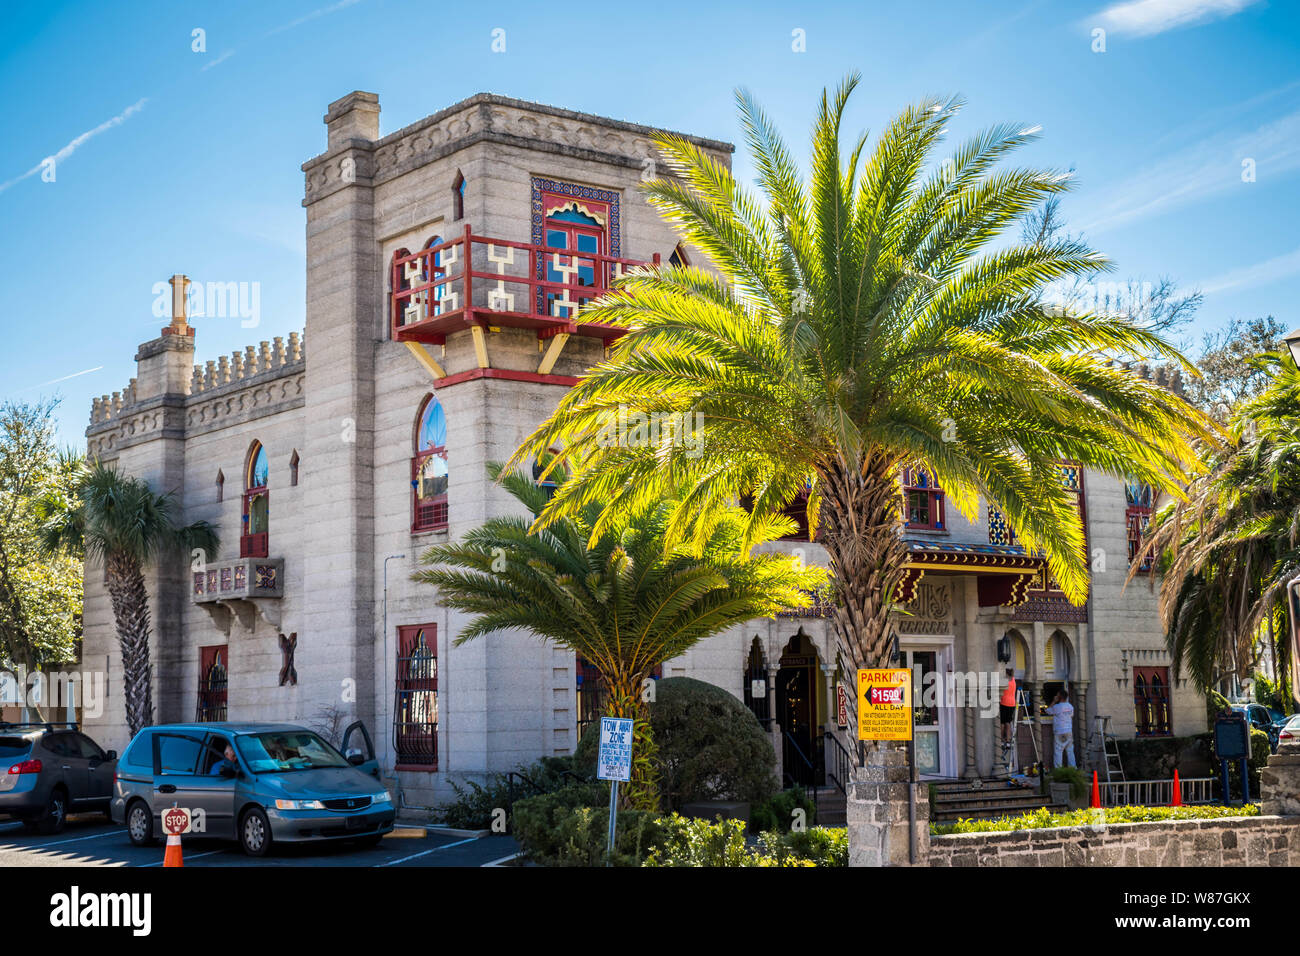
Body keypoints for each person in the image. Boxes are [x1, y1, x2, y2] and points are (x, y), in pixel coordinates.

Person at [1047, 689, 1075, 767]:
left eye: (1057, 695)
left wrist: (1054, 701)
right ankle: (1073, 769)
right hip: (1069, 731)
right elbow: (1071, 715)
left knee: (1058, 752)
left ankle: (1058, 771)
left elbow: (1048, 711)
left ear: (1059, 697)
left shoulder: (1057, 707)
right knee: (1070, 751)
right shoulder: (1070, 706)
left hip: (1060, 732)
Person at [999, 667, 1017, 743]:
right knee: (1008, 722)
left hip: (1004, 703)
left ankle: (1001, 737)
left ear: (1006, 674)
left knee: (1002, 722)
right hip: (1012, 703)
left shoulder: (1006, 681)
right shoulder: (1013, 680)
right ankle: (1008, 738)